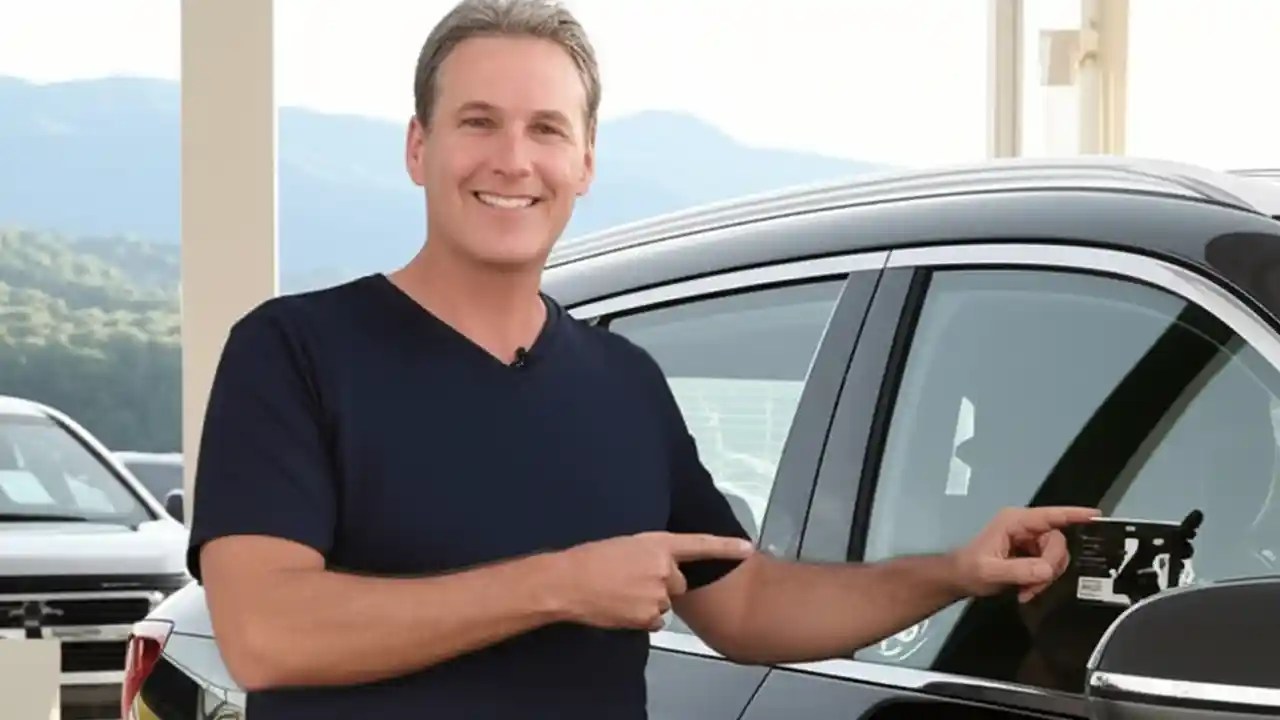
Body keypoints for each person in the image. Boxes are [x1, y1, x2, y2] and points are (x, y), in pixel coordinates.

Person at [186, 0, 1100, 717]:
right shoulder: (294, 352)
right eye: (478, 122)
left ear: (585, 162)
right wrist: (559, 584)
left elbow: (743, 609)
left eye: (547, 130)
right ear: (419, 148)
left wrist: (952, 571)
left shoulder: (623, 383)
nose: (513, 160)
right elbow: (268, 633)